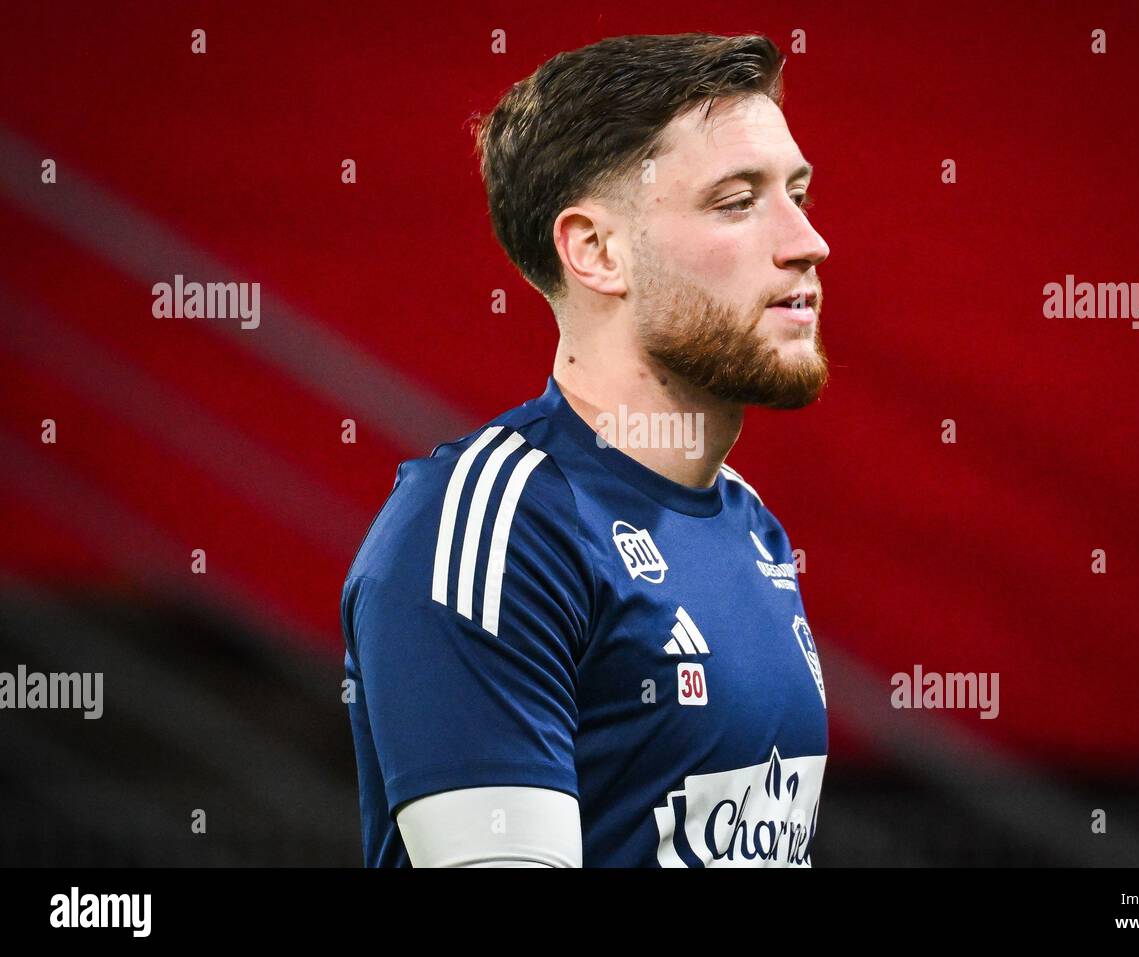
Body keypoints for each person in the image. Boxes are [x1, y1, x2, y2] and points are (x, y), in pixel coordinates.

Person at [342, 32, 831, 867]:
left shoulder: (752, 526)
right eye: (736, 201)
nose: (808, 242)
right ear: (597, 251)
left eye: (797, 193)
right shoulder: (497, 527)